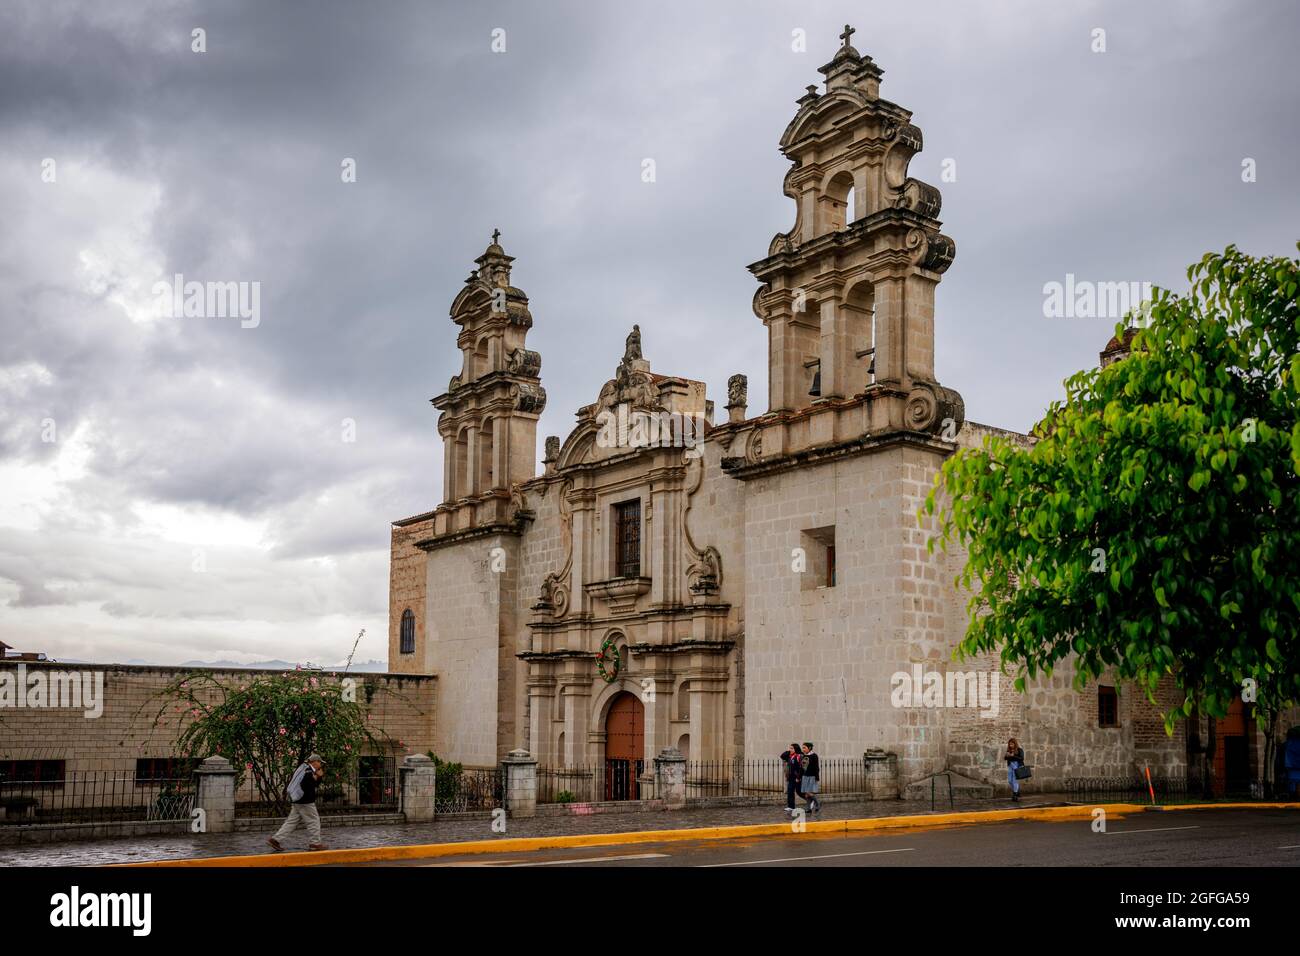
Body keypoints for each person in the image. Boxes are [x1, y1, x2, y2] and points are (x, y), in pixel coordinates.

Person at [268, 753, 328, 851]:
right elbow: (307, 786)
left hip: (297, 800)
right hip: (306, 801)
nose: (320, 764)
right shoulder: (308, 772)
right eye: (320, 762)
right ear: (315, 762)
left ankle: (275, 839)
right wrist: (318, 777)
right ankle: (315, 843)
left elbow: (310, 784)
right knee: (314, 821)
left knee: (291, 822)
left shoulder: (303, 769)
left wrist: (318, 777)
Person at [779, 742, 803, 814]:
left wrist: (799, 776)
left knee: (799, 791)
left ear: (796, 749)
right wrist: (788, 751)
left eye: (792, 748)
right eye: (790, 748)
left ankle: (811, 800)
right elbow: (782, 756)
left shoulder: (799, 756)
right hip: (791, 777)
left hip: (797, 777)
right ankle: (791, 806)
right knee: (790, 791)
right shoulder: (790, 756)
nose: (790, 750)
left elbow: (801, 767)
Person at [799, 742, 820, 813]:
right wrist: (799, 777)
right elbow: (802, 768)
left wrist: (817, 777)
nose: (803, 749)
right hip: (805, 776)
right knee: (806, 794)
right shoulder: (803, 756)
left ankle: (818, 803)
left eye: (805, 747)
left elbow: (816, 767)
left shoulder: (814, 756)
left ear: (809, 748)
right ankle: (808, 809)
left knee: (809, 793)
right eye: (803, 747)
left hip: (812, 776)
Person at [1005, 737, 1026, 802]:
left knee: (1014, 781)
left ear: (1015, 744)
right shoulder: (1009, 750)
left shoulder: (1020, 750)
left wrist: (1013, 756)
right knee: (1009, 780)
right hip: (1010, 766)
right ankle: (1017, 790)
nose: (1011, 745)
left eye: (1012, 744)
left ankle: (1015, 795)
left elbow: (1021, 758)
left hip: (1017, 766)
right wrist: (1007, 755)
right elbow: (1005, 758)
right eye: (1010, 744)